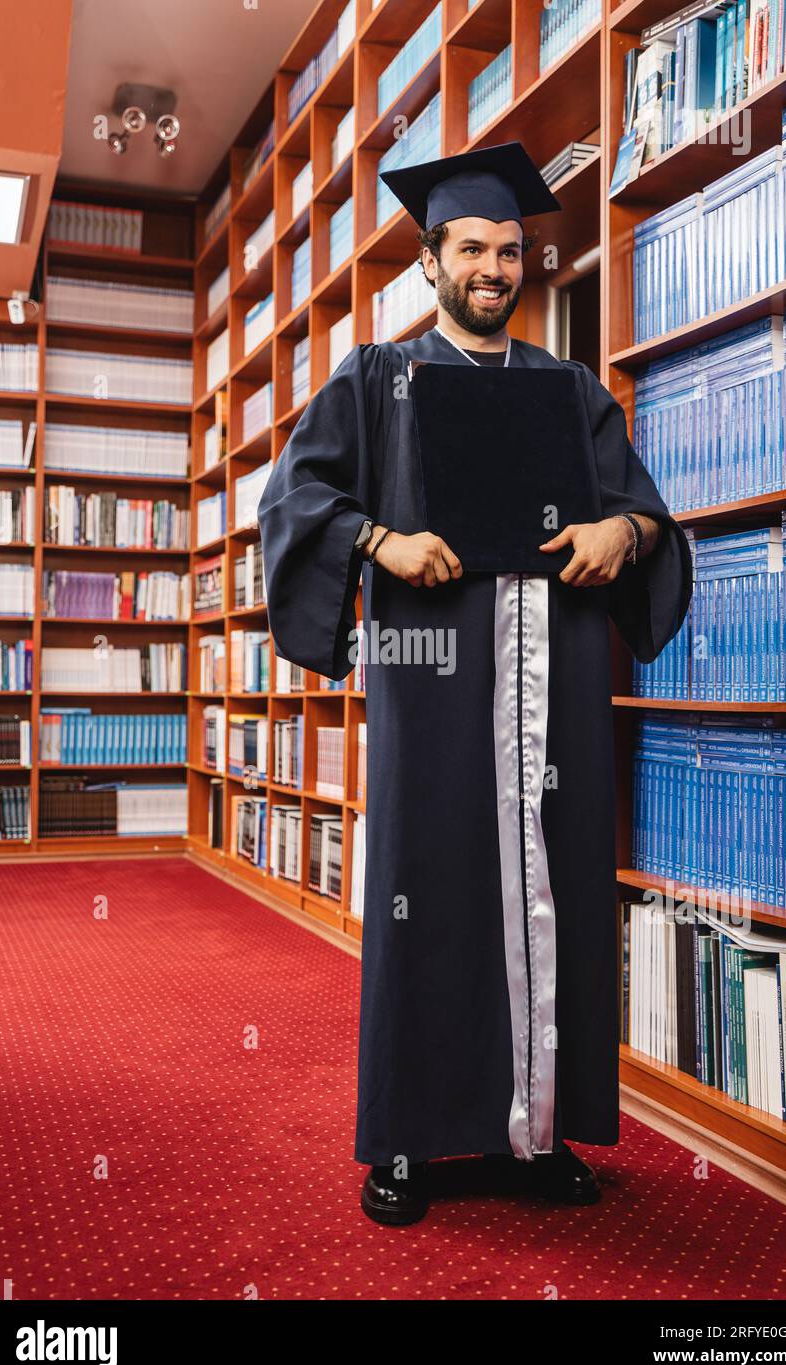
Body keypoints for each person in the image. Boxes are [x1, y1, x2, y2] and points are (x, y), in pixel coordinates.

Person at [257, 141, 692, 1226]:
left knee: (555, 892)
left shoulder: (569, 390)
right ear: (429, 264)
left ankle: (534, 1134)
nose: (493, 268)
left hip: (554, 676)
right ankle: (406, 1140)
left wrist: (619, 534)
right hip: (432, 672)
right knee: (424, 890)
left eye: (508, 250)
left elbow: (648, 513)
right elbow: (292, 499)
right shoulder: (376, 379)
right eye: (470, 250)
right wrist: (375, 541)